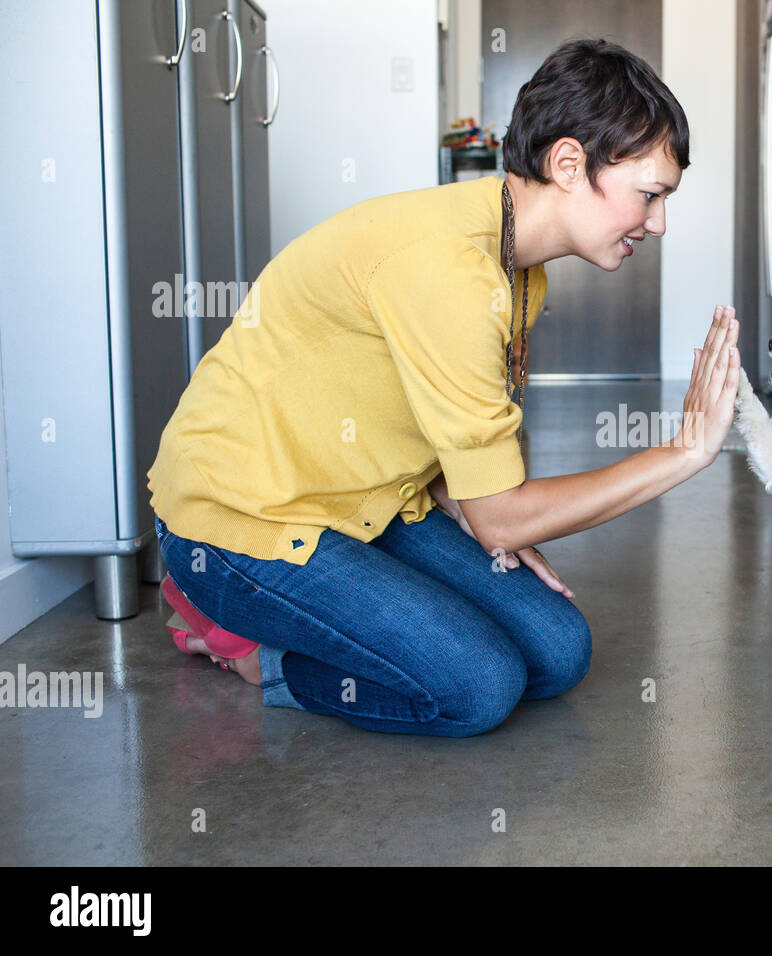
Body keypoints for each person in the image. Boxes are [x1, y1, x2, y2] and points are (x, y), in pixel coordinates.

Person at [147, 38, 741, 737]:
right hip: (245, 518)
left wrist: (492, 509)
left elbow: (465, 451)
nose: (659, 222)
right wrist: (683, 453)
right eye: (649, 195)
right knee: (477, 686)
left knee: (557, 652)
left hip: (370, 500)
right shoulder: (449, 271)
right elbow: (500, 517)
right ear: (569, 164)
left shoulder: (521, 269)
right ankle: (249, 647)